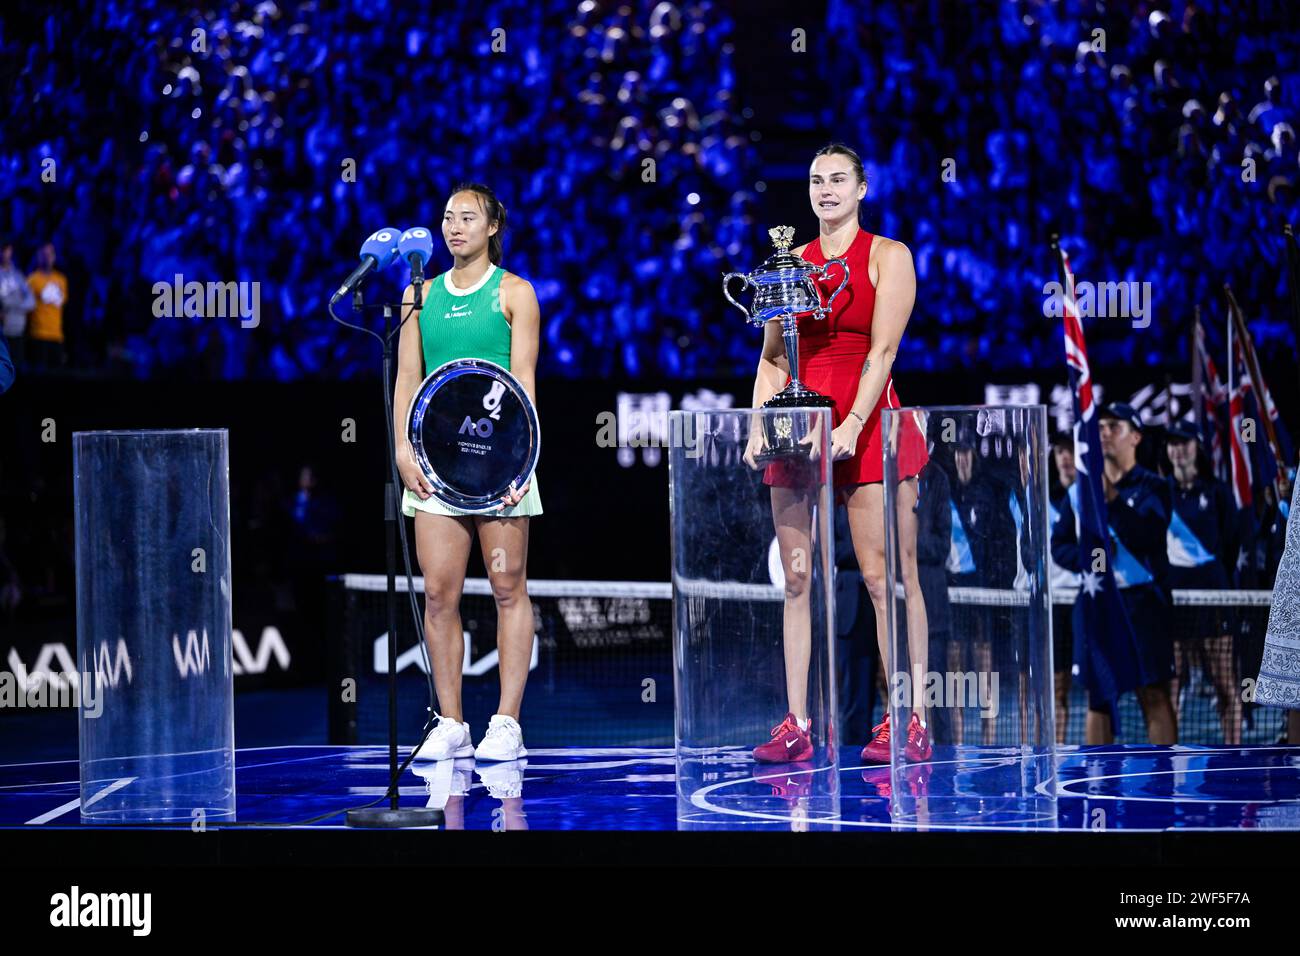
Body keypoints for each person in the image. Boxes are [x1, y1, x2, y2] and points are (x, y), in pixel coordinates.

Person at [742, 142, 930, 764]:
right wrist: (757, 428)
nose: (826, 190)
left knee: (885, 579)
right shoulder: (789, 261)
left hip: (868, 417)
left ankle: (908, 719)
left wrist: (851, 423)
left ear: (861, 189)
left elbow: (883, 354)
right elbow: (772, 357)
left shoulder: (887, 256)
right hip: (800, 428)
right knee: (797, 579)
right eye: (817, 179)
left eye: (838, 180)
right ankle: (796, 722)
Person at [393, 182, 542, 763]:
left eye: (468, 217)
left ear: (492, 227)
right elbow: (407, 380)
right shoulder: (417, 297)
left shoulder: (515, 293)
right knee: (438, 593)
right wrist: (403, 452)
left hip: (502, 465)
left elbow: (524, 381)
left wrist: (522, 460)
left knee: (508, 588)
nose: (455, 227)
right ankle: (451, 721)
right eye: (448, 218)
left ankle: (506, 723)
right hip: (436, 467)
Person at [1052, 402, 1177, 745]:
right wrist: (1092, 561)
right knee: (1098, 697)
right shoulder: (1081, 488)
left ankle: (1162, 785)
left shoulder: (1154, 487)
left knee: (1152, 693)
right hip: (1096, 601)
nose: (1104, 433)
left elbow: (1150, 535)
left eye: (1114, 428)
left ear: (1135, 437)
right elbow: (1059, 544)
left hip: (1144, 606)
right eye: (1101, 427)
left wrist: (1113, 501)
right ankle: (1096, 787)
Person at [1163, 419, 1241, 743]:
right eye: (1173, 444)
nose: (1178, 449)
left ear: (1197, 447)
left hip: (1213, 599)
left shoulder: (1217, 492)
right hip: (1173, 600)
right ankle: (1168, 755)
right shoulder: (1159, 490)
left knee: (1225, 682)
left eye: (1185, 443)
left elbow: (1233, 541)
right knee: (1172, 683)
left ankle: (1233, 752)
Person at [26, 243, 68, 369]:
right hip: (38, 335)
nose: (48, 257)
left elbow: (63, 304)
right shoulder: (32, 280)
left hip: (56, 336)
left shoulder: (61, 280)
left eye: (50, 254)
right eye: (44, 254)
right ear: (39, 257)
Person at [0, 240, 34, 368]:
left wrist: (11, 306)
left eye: (8, 250)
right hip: (2, 332)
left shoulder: (18, 276)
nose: (5, 254)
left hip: (18, 330)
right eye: (3, 250)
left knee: (18, 370)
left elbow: (31, 301)